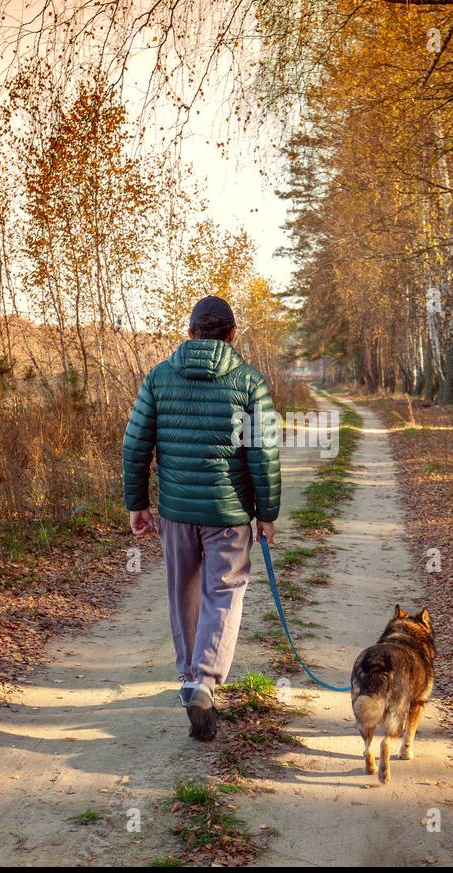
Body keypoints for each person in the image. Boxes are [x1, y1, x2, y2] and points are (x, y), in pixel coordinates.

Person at [122, 295, 281, 740]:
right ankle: (205, 681)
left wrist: (137, 504)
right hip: (228, 515)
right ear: (233, 335)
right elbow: (263, 452)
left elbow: (135, 445)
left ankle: (189, 678)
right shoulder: (249, 382)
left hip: (175, 513)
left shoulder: (158, 377)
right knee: (224, 592)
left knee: (183, 591)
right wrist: (266, 512)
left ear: (190, 333)